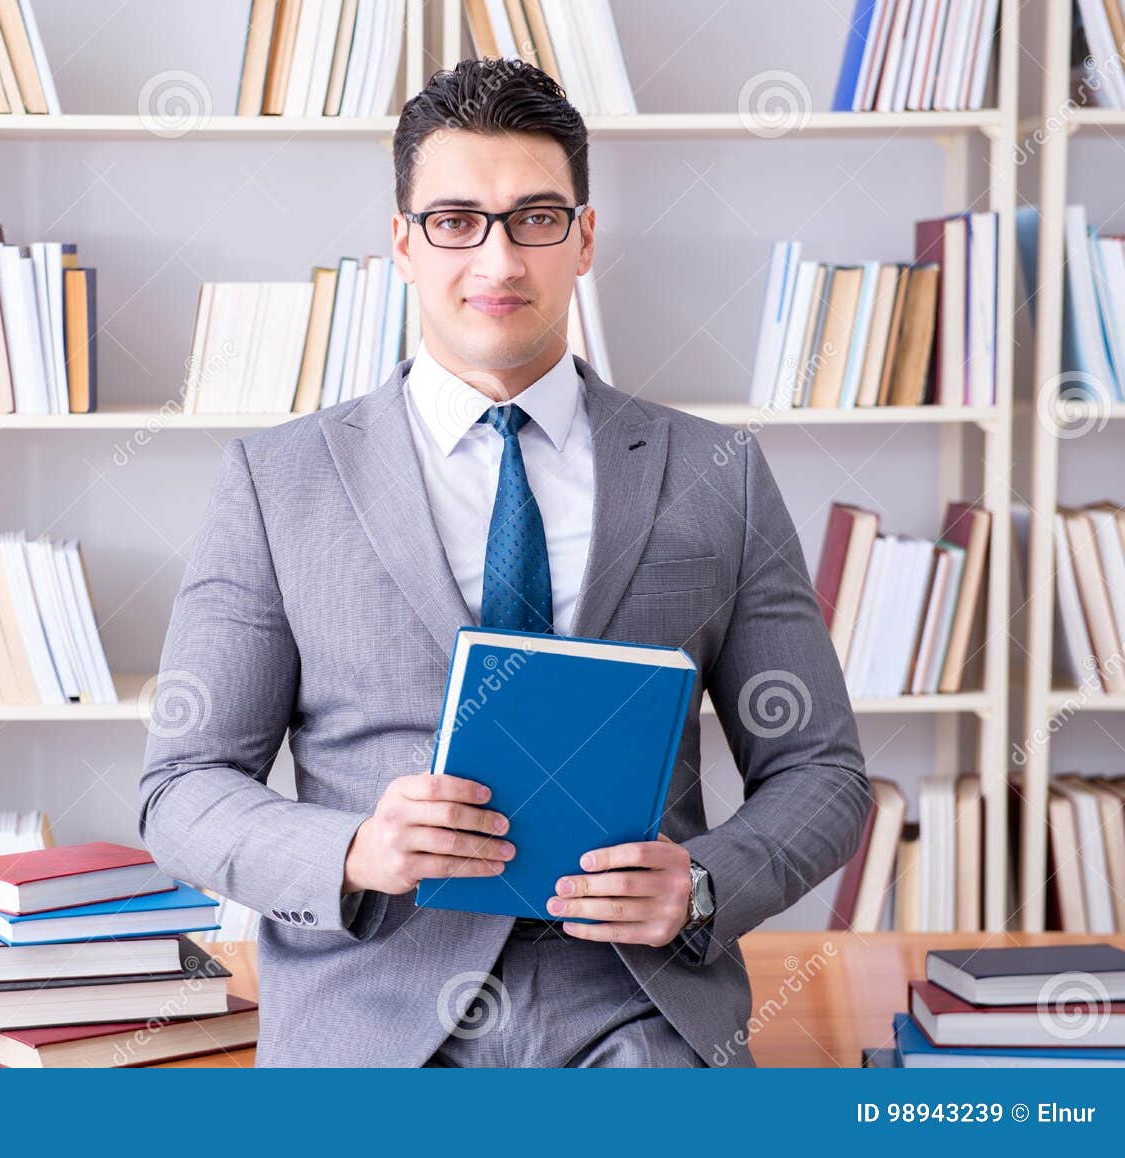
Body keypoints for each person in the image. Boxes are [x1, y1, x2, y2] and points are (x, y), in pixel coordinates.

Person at [138, 57, 870, 1067]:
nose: (496, 262)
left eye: (535, 218)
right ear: (402, 242)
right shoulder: (278, 481)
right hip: (371, 1017)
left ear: (583, 239)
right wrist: (349, 850)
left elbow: (822, 771)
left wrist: (700, 885)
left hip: (636, 1013)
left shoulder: (715, 474)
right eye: (454, 221)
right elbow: (182, 783)